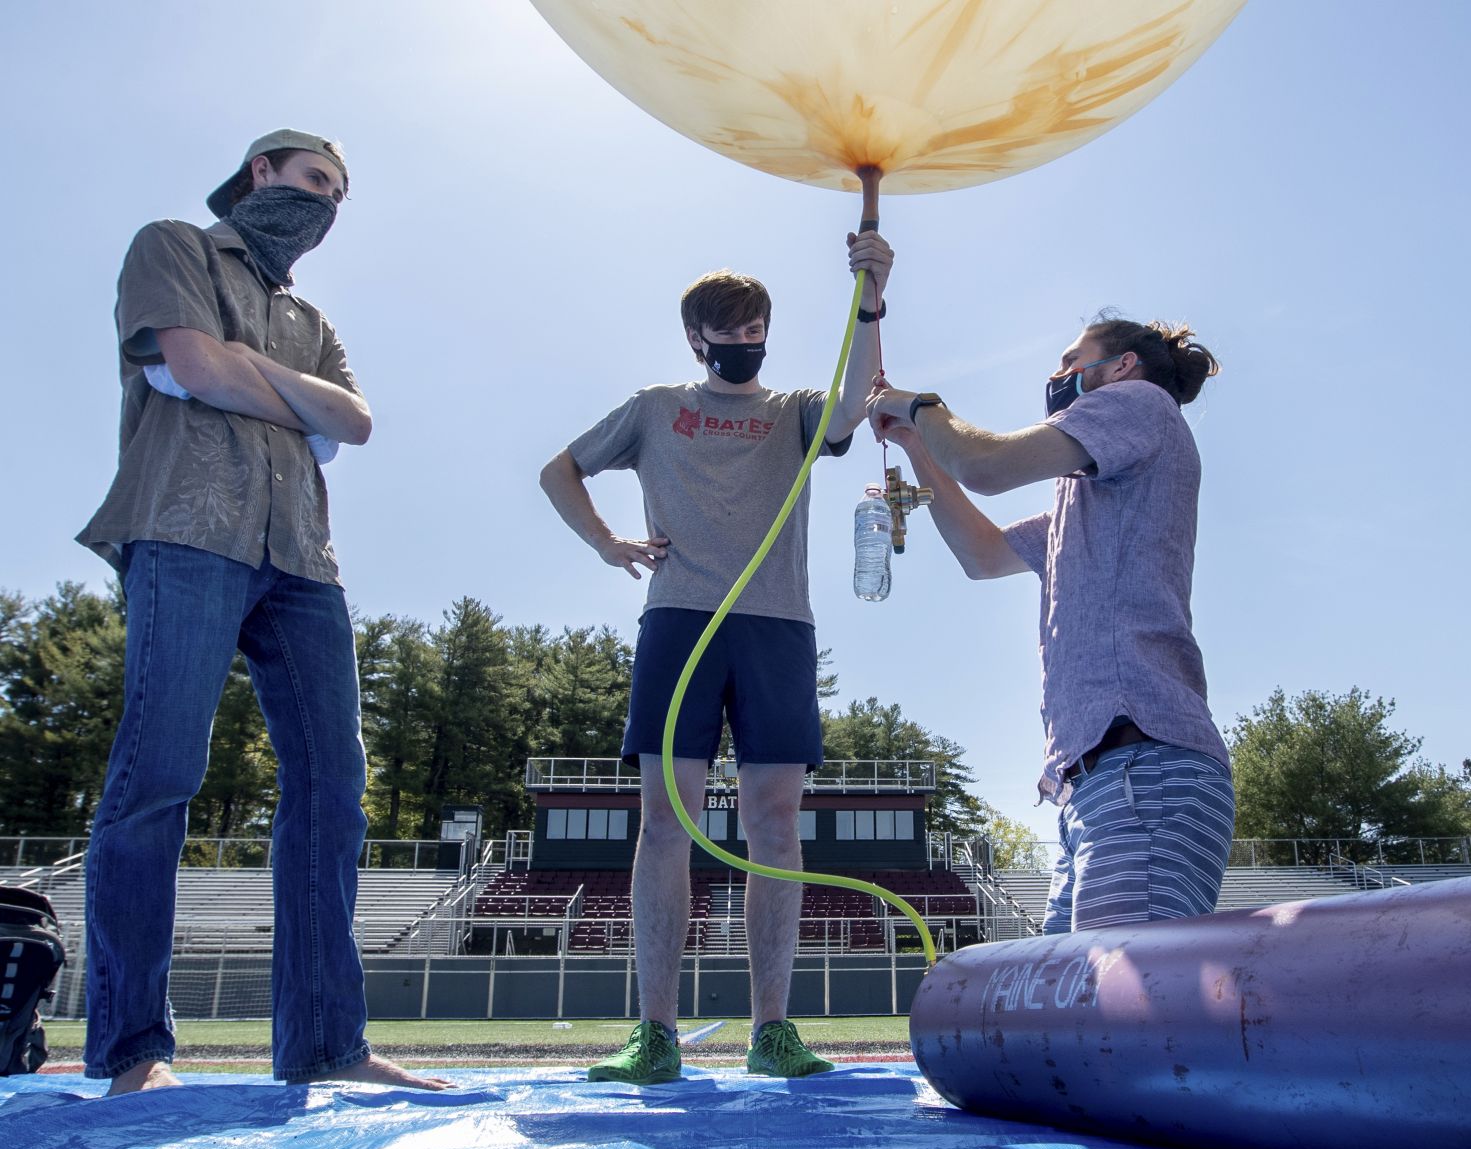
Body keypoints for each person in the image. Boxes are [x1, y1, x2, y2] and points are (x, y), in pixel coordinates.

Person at [75, 130, 450, 1094]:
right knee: (161, 770)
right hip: (185, 529)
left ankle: (329, 1045)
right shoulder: (174, 246)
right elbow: (193, 366)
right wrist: (285, 398)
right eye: (313, 180)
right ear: (261, 175)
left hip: (303, 562)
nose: (326, 200)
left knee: (334, 787)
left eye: (340, 191)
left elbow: (356, 423)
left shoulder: (313, 319)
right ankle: (132, 1049)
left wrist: (250, 370)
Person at [539, 230, 893, 1084]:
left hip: (776, 625)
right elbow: (559, 470)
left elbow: (858, 397)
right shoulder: (656, 406)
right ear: (697, 338)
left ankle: (772, 1030)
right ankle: (653, 1033)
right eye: (728, 331)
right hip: (679, 620)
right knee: (667, 822)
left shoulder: (793, 410)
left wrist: (871, 292)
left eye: (756, 328)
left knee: (775, 823)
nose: (745, 342)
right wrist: (606, 542)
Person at [866, 313, 1235, 933]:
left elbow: (985, 466)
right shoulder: (1087, 500)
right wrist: (915, 445)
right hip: (1096, 786)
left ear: (1120, 366)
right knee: (1072, 1017)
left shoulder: (1140, 403)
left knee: (1122, 1015)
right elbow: (981, 555)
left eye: (1072, 359)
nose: (1058, 374)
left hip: (1143, 773)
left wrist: (919, 404)